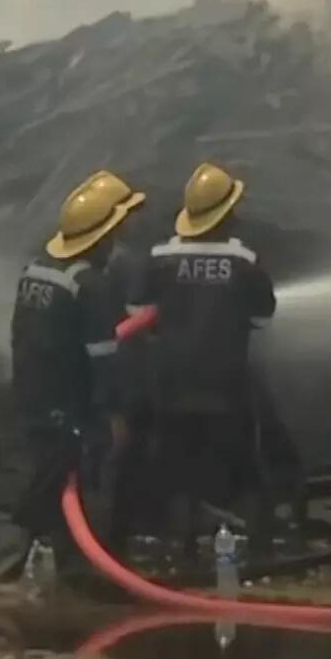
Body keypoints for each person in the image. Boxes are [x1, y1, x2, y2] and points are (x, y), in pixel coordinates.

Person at [0, 169, 144, 588]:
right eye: (117, 230)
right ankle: (4, 567)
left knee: (58, 478)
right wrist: (114, 415)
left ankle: (73, 567)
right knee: (53, 481)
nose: (119, 240)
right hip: (67, 403)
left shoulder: (38, 269)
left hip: (32, 391)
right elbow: (106, 362)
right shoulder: (90, 284)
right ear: (102, 234)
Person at [128, 162, 278, 562]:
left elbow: (137, 314)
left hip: (170, 387)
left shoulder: (160, 258)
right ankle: (259, 545)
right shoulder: (244, 260)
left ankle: (180, 545)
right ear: (227, 213)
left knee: (174, 468)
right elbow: (263, 317)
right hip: (225, 387)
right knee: (245, 465)